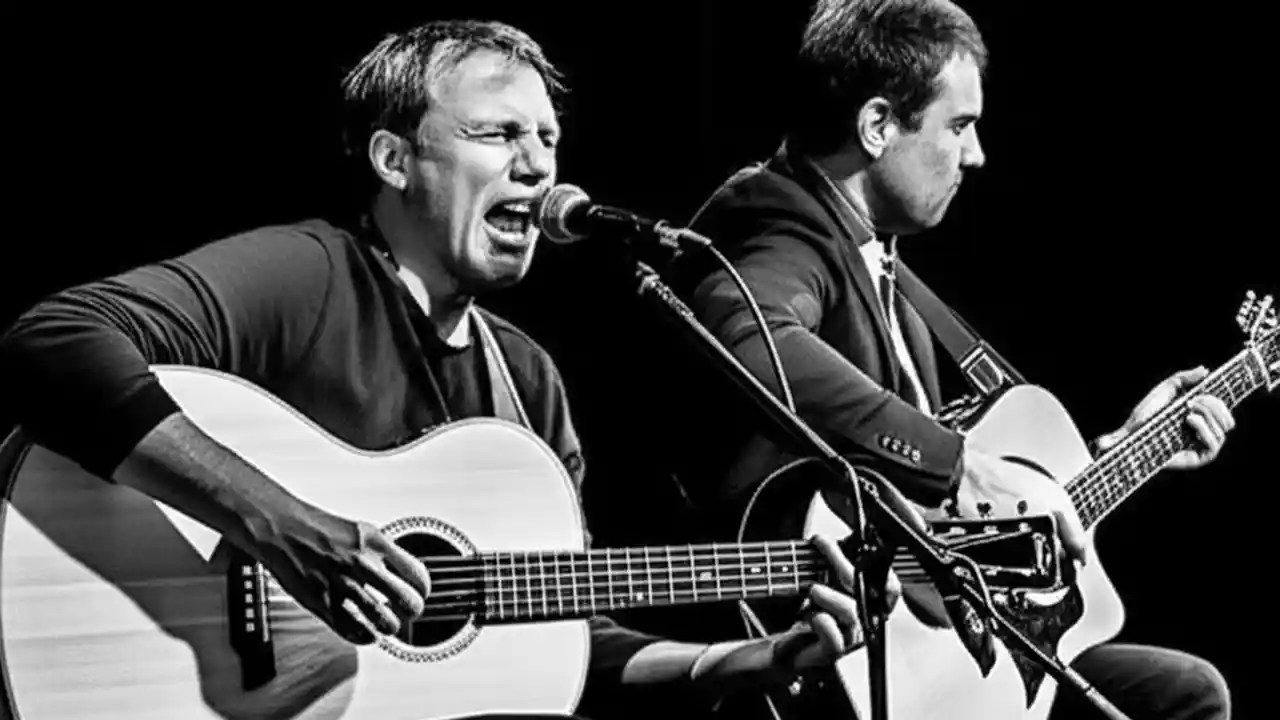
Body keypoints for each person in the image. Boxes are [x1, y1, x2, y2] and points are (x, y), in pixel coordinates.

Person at [0, 19, 883, 720]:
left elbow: (563, 642)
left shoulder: (526, 381)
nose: (538, 167)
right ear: (394, 160)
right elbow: (54, 341)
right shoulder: (311, 278)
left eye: (548, 139)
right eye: (498, 133)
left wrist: (751, 659)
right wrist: (283, 527)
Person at [662, 1, 1238, 719]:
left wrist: (1118, 450)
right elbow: (751, 339)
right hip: (817, 660)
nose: (976, 155)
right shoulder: (778, 226)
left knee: (1179, 691)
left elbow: (946, 517)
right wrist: (959, 465)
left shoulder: (876, 259)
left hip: (935, 651)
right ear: (877, 125)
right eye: (959, 125)